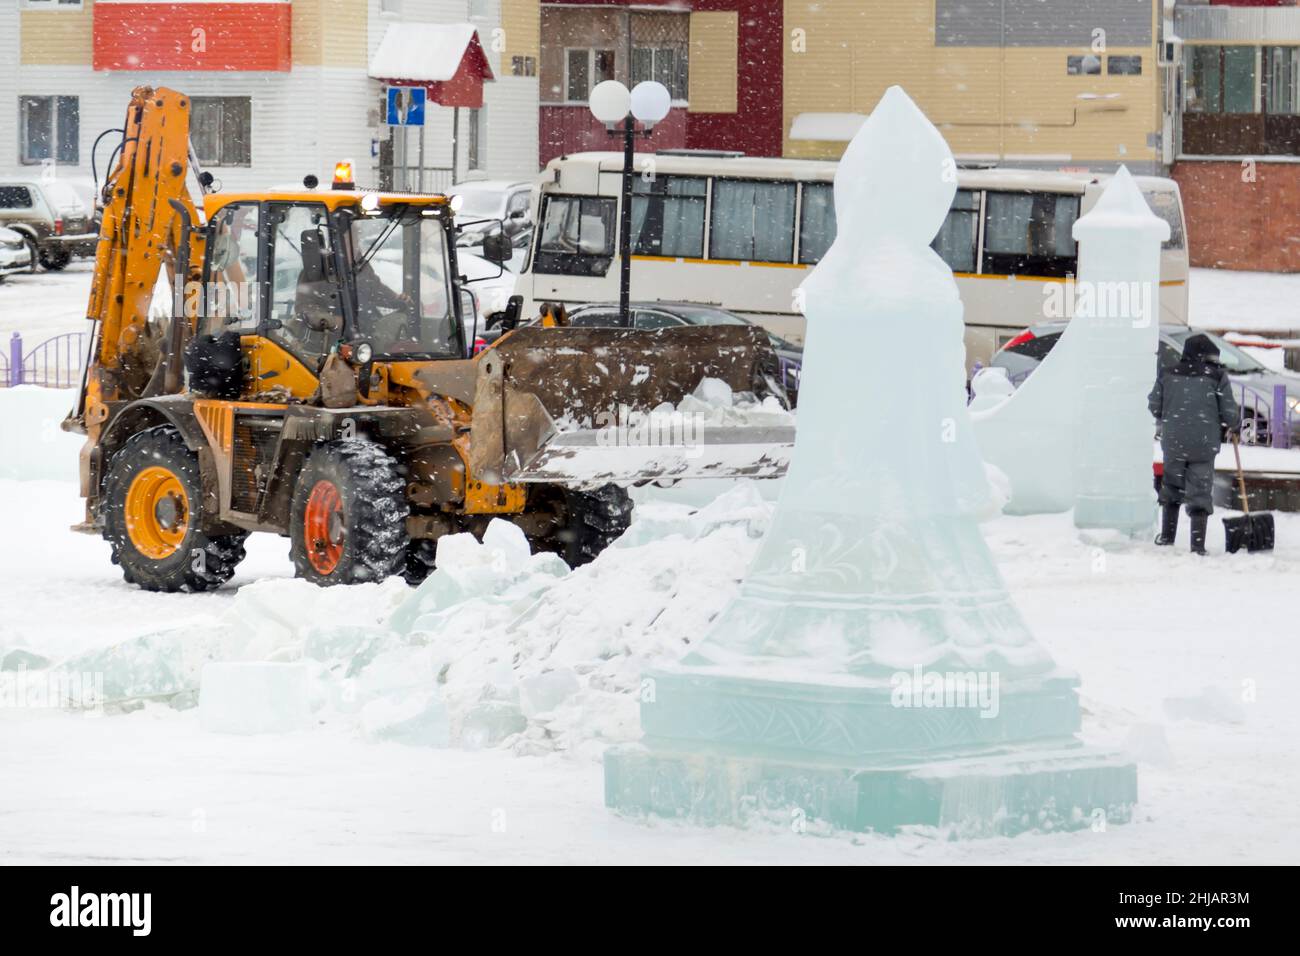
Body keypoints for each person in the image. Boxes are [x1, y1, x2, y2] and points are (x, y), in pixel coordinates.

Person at [1148, 333, 1239, 555]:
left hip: (1174, 441)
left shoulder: (1168, 374)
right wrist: (1231, 423)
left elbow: (1154, 406)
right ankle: (1197, 545)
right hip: (1203, 443)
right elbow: (1230, 414)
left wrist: (1172, 415)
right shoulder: (1217, 377)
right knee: (1200, 490)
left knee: (1171, 486)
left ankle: (1167, 537)